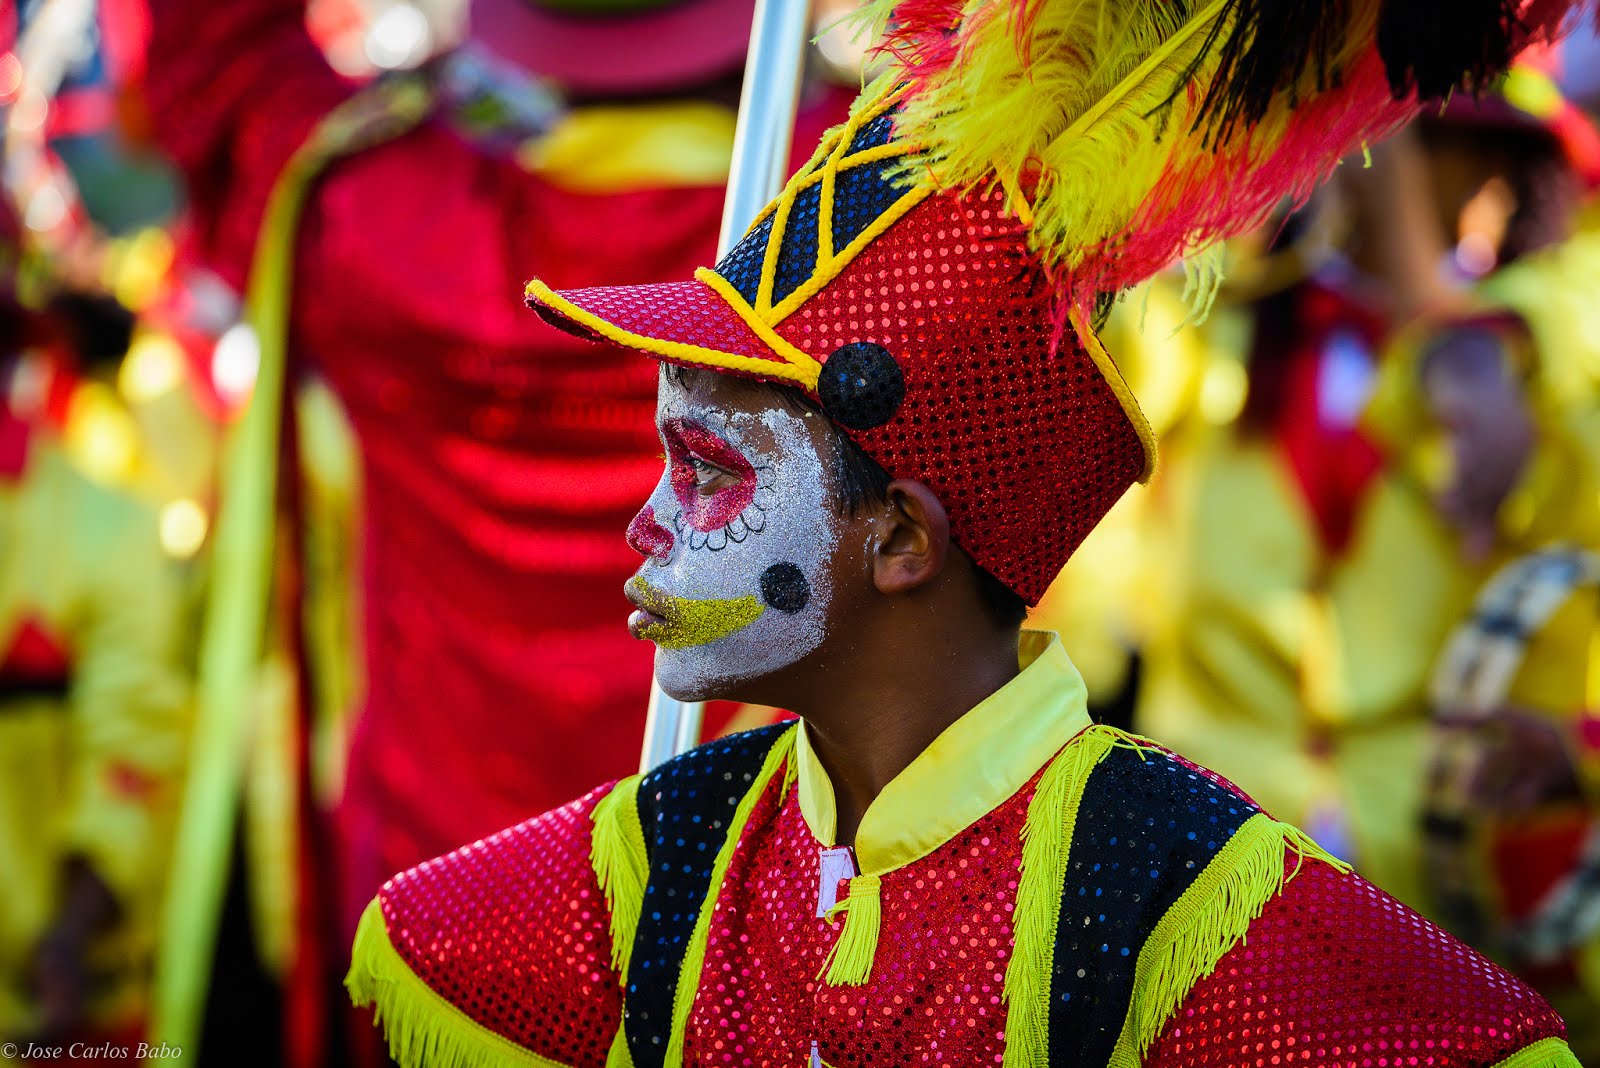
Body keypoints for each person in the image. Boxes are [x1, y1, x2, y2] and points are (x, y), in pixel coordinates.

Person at [348, 0, 1586, 1063]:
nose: (646, 522)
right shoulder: (663, 854)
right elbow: (418, 938)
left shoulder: (1168, 894)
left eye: (710, 472)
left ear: (900, 539)